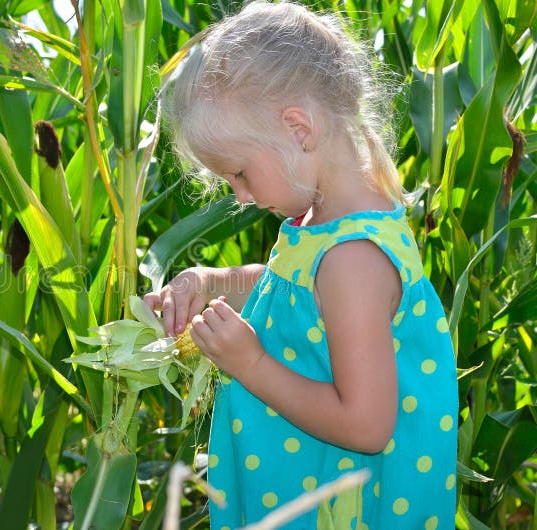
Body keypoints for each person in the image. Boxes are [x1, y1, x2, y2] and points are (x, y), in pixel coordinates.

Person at [143, 2, 458, 528]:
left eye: (240, 173)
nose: (240, 197)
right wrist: (211, 282)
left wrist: (250, 365)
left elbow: (366, 426)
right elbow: (293, 292)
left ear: (297, 128)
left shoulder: (353, 259)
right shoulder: (325, 226)